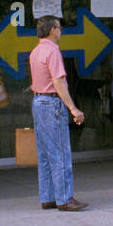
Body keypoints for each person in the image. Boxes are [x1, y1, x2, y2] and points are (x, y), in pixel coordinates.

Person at [29, 16, 87, 210]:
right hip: (52, 102)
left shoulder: (36, 51)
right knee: (61, 152)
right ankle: (65, 198)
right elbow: (59, 82)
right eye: (59, 28)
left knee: (45, 153)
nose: (60, 31)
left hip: (38, 101)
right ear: (53, 30)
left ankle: (48, 197)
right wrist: (73, 108)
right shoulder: (53, 51)